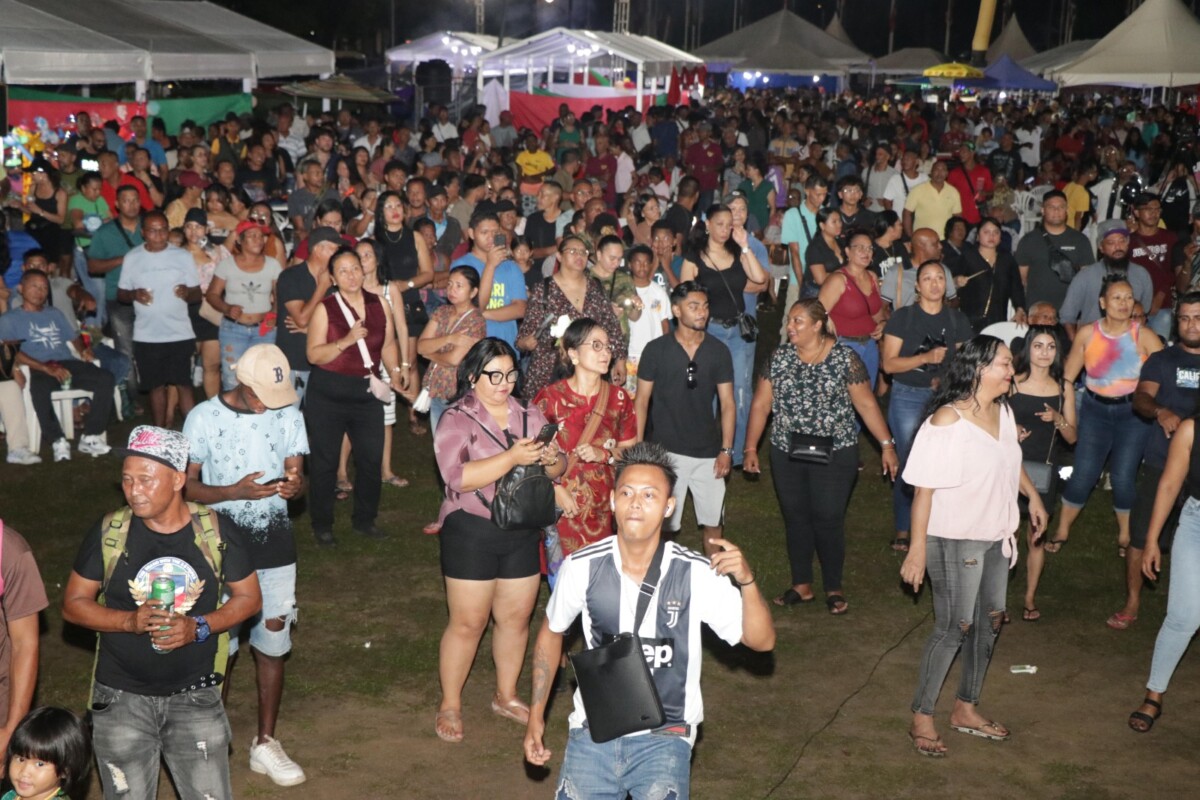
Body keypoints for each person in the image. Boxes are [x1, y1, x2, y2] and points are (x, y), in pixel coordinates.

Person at [523, 442, 775, 795]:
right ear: (612, 501)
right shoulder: (582, 567)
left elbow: (761, 641)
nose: (636, 503)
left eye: (650, 495)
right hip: (594, 729)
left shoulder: (695, 573)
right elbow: (552, 632)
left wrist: (747, 582)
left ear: (669, 506)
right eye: (626, 492)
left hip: (666, 736)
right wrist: (536, 716)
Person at [61, 425, 262, 800]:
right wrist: (129, 621)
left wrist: (198, 627)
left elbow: (249, 597)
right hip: (120, 698)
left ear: (177, 479)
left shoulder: (215, 531)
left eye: (146, 480)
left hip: (196, 696)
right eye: (127, 480)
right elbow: (73, 604)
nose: (134, 490)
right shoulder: (111, 532)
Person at [900, 336, 1048, 757]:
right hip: (953, 537)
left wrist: (1033, 498)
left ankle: (966, 707)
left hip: (996, 535)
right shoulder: (947, 421)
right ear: (980, 368)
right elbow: (923, 491)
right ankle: (921, 717)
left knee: (991, 621)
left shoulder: (1002, 411)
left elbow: (1010, 460)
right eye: (1004, 362)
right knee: (954, 627)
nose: (1011, 370)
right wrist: (916, 551)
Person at [182, 345, 308, 786]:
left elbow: (297, 472)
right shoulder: (202, 417)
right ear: (242, 382)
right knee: (220, 645)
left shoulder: (289, 411)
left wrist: (294, 486)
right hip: (217, 546)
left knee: (272, 641)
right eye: (262, 395)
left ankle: (265, 742)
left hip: (274, 543)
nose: (269, 404)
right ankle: (208, 741)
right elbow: (187, 488)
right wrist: (231, 492)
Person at [432, 338, 567, 743]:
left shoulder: (528, 412)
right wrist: (512, 458)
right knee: (469, 622)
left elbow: (559, 465)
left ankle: (505, 695)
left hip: (522, 529)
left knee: (515, 619)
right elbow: (455, 477)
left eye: (510, 374)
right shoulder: (456, 418)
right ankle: (450, 703)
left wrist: (550, 460)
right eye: (494, 375)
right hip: (471, 530)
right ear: (473, 376)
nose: (504, 383)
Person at [744, 298, 898, 613]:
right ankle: (801, 585)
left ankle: (833, 587)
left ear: (818, 325)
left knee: (828, 518)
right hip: (787, 450)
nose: (790, 327)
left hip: (835, 452)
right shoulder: (780, 358)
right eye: (790, 321)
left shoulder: (845, 359)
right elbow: (761, 404)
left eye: (798, 321)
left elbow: (867, 405)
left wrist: (886, 445)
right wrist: (749, 447)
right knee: (796, 517)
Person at [1050, 274, 1162, 558]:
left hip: (1133, 413)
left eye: (1128, 297)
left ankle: (1126, 535)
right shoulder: (1089, 334)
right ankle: (1062, 529)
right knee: (1084, 473)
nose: (1124, 303)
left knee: (1124, 476)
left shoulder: (1144, 335)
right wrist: (1068, 415)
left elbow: (1166, 375)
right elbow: (1068, 377)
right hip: (1094, 411)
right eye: (1117, 297)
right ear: (1103, 302)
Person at [1110, 293, 1200, 631]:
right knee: (1140, 537)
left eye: (1198, 317)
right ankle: (1132, 602)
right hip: (1162, 464)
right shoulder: (1163, 360)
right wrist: (1160, 410)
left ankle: (1186, 607)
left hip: (1199, 475)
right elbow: (1142, 397)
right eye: (1186, 317)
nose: (1192, 324)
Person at [304, 247, 404, 546]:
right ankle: (322, 523)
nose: (351, 275)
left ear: (364, 270)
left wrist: (397, 371)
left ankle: (364, 519)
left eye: (355, 268)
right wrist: (345, 341)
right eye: (343, 271)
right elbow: (313, 353)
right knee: (324, 462)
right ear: (333, 278)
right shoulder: (326, 308)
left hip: (366, 393)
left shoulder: (379, 304)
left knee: (371, 459)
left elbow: (386, 344)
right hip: (328, 393)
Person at [634, 282, 735, 557]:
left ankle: (716, 584)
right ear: (676, 310)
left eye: (705, 306)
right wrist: (639, 445)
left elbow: (727, 404)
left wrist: (726, 449)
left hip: (708, 454)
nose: (702, 312)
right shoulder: (656, 350)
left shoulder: (718, 351)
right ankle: (659, 580)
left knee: (714, 525)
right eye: (694, 306)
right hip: (665, 452)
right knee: (664, 525)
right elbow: (641, 400)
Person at [881, 260, 975, 552]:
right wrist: (925, 359)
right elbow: (889, 364)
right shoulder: (903, 318)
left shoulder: (957, 320)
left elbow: (965, 365)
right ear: (918, 286)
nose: (934, 284)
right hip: (908, 395)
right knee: (911, 461)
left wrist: (946, 381)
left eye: (940, 278)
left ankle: (940, 522)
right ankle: (904, 527)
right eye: (927, 278)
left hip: (945, 400)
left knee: (948, 461)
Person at [1127, 384, 1200, 732]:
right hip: (1197, 523)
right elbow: (1170, 485)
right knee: (1183, 616)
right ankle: (1154, 694)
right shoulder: (1191, 429)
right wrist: (1153, 540)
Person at [534, 318, 638, 558]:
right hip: (560, 510)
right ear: (573, 354)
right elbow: (532, 454)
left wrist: (605, 454)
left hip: (604, 511)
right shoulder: (551, 398)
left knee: (598, 582)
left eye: (608, 346)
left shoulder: (620, 399)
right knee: (562, 583)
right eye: (596, 345)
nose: (606, 353)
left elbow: (631, 454)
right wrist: (554, 489)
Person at [679, 205, 767, 466]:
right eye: (720, 223)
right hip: (710, 332)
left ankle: (737, 454)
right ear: (707, 224)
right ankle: (704, 451)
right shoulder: (695, 256)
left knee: (740, 393)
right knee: (709, 393)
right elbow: (684, 297)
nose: (725, 229)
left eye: (730, 224)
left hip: (737, 333)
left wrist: (745, 246)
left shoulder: (737, 252)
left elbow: (760, 278)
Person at [0, 270, 114, 461]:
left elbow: (73, 337)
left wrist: (83, 349)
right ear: (21, 289)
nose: (40, 291)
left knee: (105, 378)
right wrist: (45, 368)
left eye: (44, 287)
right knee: (40, 388)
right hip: (37, 366)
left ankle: (91, 435)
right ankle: (57, 439)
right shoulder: (9, 319)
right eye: (34, 286)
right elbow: (13, 351)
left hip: (66, 362)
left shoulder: (54, 313)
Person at [1010, 326, 1077, 622]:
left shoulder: (1064, 388)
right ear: (1028, 349)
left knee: (1036, 536)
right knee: (1004, 534)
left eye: (1050, 346)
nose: (1044, 352)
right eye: (1038, 346)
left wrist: (1059, 419)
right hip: (1008, 466)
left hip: (1044, 471)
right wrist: (1010, 430)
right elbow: (988, 417)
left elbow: (1073, 438)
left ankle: (1029, 598)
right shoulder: (1011, 382)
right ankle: (995, 598)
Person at [117, 212, 202, 429]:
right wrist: (134, 294)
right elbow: (121, 294)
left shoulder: (182, 256)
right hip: (147, 335)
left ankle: (195, 437)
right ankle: (160, 435)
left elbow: (196, 294)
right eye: (153, 230)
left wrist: (186, 292)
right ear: (143, 233)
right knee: (155, 386)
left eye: (163, 229)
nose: (159, 235)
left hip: (179, 332)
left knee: (184, 384)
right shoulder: (133, 257)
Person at [516, 235, 626, 400]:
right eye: (573, 251)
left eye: (583, 252)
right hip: (549, 373)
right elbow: (523, 338)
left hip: (589, 372)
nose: (579, 255)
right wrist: (526, 342)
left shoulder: (595, 287)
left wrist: (620, 360)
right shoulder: (543, 289)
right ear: (559, 256)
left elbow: (611, 326)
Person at [206, 220, 283, 390]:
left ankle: (259, 414)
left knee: (262, 378)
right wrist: (227, 308)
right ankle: (235, 415)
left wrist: (274, 315)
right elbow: (212, 294)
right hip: (233, 330)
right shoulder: (227, 265)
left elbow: (280, 296)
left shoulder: (272, 264)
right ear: (239, 241)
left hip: (263, 330)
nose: (258, 240)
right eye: (252, 236)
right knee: (233, 379)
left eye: (261, 236)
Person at [275, 227, 341, 408]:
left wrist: (309, 331)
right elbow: (301, 318)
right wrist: (322, 287)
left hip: (325, 365)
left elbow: (340, 324)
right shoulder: (291, 276)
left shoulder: (337, 282)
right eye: (334, 249)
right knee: (289, 419)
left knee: (321, 424)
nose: (339, 255)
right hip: (294, 363)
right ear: (319, 249)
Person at [417, 265, 487, 432]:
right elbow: (420, 346)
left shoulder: (475, 321)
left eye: (459, 286)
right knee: (440, 448)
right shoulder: (442, 311)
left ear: (473, 292)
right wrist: (449, 339)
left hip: (458, 393)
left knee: (458, 450)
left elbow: (454, 359)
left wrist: (430, 353)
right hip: (436, 389)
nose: (451, 289)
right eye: (449, 284)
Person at [1060, 220, 1154, 339]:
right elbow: (1067, 316)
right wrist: (1077, 347)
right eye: (1111, 242)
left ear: (1128, 244)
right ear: (1101, 247)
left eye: (1122, 241)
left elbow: (1143, 312)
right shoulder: (1085, 276)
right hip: (1093, 345)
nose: (1118, 247)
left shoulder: (1141, 274)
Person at [818, 228, 887, 389]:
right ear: (848, 251)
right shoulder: (838, 279)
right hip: (844, 346)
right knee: (842, 400)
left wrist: (883, 323)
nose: (866, 252)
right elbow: (818, 315)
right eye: (860, 247)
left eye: (870, 248)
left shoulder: (872, 277)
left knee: (865, 399)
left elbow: (877, 313)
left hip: (869, 346)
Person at [453, 211, 528, 352]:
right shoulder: (461, 266)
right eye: (484, 232)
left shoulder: (511, 266)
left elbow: (520, 309)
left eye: (495, 232)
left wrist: (482, 313)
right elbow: (467, 307)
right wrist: (490, 265)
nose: (490, 237)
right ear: (471, 233)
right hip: (473, 346)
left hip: (506, 344)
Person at [1014, 190, 1096, 313]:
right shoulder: (1028, 241)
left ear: (1067, 210)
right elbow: (1020, 280)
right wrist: (1021, 309)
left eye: (1061, 207)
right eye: (1051, 207)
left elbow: (1087, 277)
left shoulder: (1080, 240)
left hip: (1070, 311)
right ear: (1043, 210)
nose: (1056, 211)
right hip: (1037, 311)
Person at [953, 217, 1027, 333]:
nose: (991, 236)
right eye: (986, 232)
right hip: (970, 321)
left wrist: (1020, 308)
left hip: (998, 320)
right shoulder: (967, 257)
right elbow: (952, 283)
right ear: (977, 236)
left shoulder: (1007, 259)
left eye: (996, 232)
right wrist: (957, 281)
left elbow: (1016, 287)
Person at [3, 707, 91, 800]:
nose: (24, 772)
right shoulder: (10, 796)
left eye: (40, 764)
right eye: (21, 759)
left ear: (65, 770)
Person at [625, 244, 673, 395]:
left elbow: (665, 323)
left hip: (653, 354)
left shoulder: (658, 292)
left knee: (653, 396)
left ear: (651, 264)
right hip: (631, 354)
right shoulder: (624, 291)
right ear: (630, 265)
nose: (642, 266)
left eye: (646, 262)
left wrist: (664, 351)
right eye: (638, 262)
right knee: (630, 397)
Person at [903, 160, 962, 240]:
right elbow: (907, 213)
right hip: (922, 239)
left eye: (943, 170)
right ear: (931, 172)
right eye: (936, 169)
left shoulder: (953, 192)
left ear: (947, 173)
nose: (939, 173)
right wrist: (911, 236)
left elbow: (957, 218)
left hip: (945, 240)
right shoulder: (918, 190)